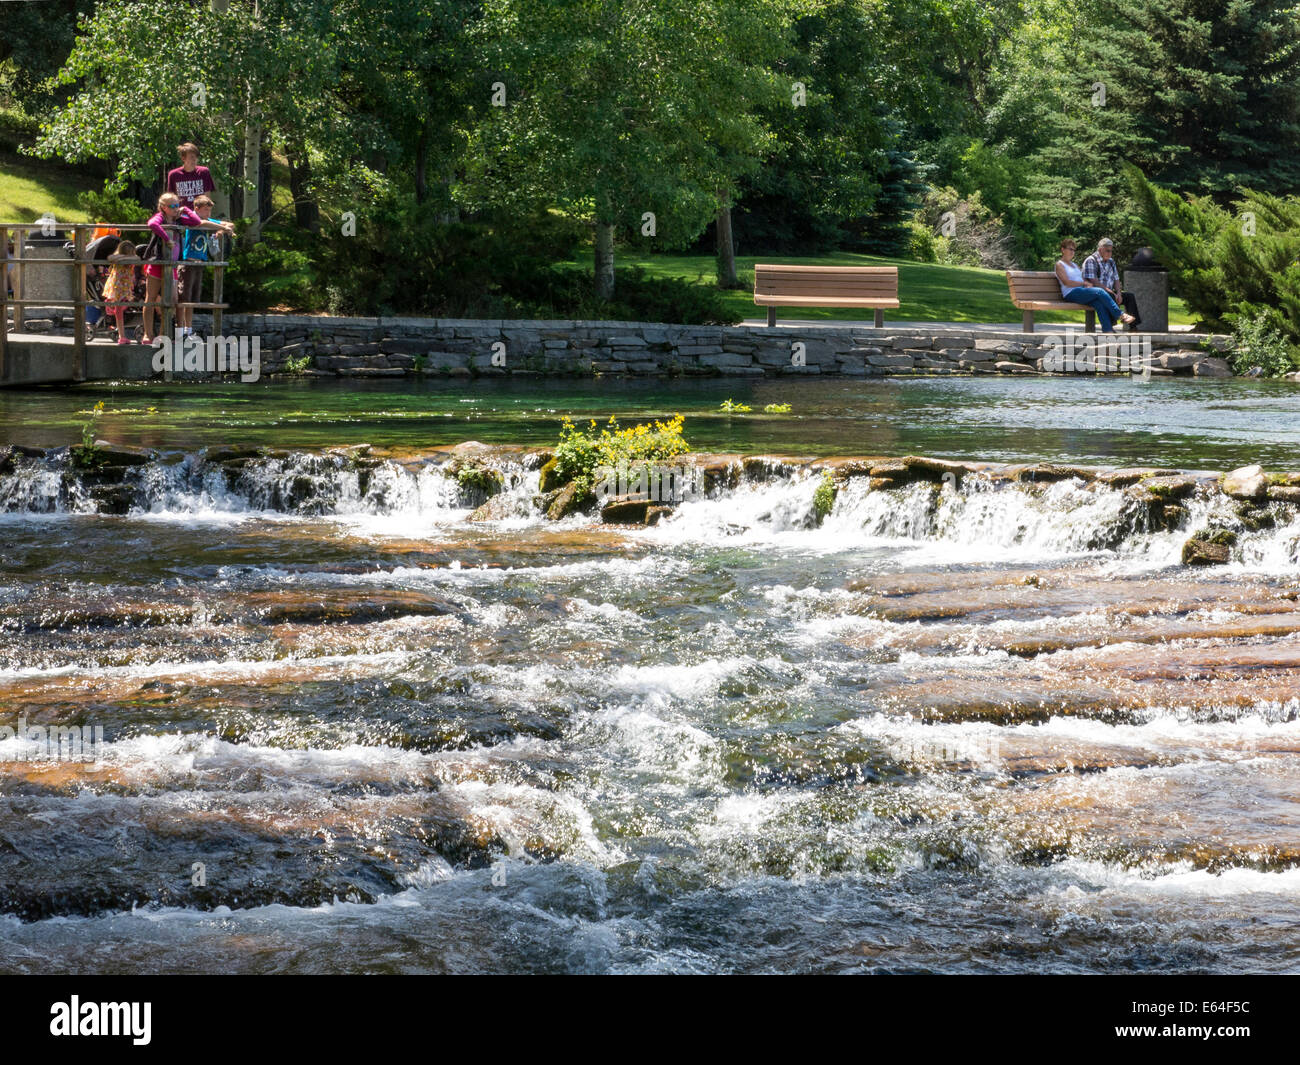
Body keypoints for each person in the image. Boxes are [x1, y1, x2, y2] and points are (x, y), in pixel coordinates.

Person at [140, 193, 228, 343]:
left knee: (173, 300)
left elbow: (196, 222)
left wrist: (186, 210)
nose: (176, 208)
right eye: (172, 206)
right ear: (163, 208)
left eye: (177, 205)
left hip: (172, 265)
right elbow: (152, 224)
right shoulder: (160, 217)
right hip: (157, 264)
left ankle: (163, 334)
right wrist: (167, 239)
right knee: (151, 299)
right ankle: (147, 334)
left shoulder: (178, 218)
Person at [178, 194, 235, 336]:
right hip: (189, 263)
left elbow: (230, 224)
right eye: (205, 210)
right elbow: (201, 224)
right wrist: (221, 228)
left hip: (200, 263)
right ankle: (180, 329)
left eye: (209, 211)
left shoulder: (209, 221)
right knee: (184, 298)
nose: (208, 214)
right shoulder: (193, 220)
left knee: (192, 299)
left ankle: (188, 330)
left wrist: (220, 231)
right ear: (196, 209)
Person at [1054, 238, 1135, 333]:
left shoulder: (1074, 265)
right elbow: (1066, 282)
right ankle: (1121, 315)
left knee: (1098, 303)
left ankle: (1108, 330)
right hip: (1070, 293)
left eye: (1074, 250)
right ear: (1063, 250)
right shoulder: (1059, 265)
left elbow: (1081, 278)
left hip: (1081, 291)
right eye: (1070, 249)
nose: (1073, 252)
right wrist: (1084, 283)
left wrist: (1087, 284)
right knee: (1100, 291)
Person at [1082, 237, 1141, 330]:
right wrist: (1113, 293)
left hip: (1109, 291)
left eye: (1111, 251)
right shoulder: (1091, 260)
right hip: (1095, 293)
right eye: (1107, 251)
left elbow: (1116, 279)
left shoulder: (1111, 261)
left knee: (1129, 297)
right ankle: (1110, 327)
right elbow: (1094, 282)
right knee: (1111, 295)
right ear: (1100, 249)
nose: (1110, 253)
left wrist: (1118, 293)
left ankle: (1133, 327)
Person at [101, 240, 139, 344]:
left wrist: (123, 258)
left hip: (124, 287)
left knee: (121, 309)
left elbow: (137, 258)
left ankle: (122, 335)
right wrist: (123, 257)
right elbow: (110, 258)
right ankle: (121, 336)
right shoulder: (115, 258)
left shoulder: (131, 259)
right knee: (119, 311)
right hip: (118, 288)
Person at [166, 142, 215, 208]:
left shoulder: (204, 172)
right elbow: (171, 198)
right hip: (182, 214)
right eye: (191, 157)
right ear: (183, 158)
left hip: (199, 214)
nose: (194, 159)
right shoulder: (173, 175)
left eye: (196, 157)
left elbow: (207, 197)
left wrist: (206, 214)